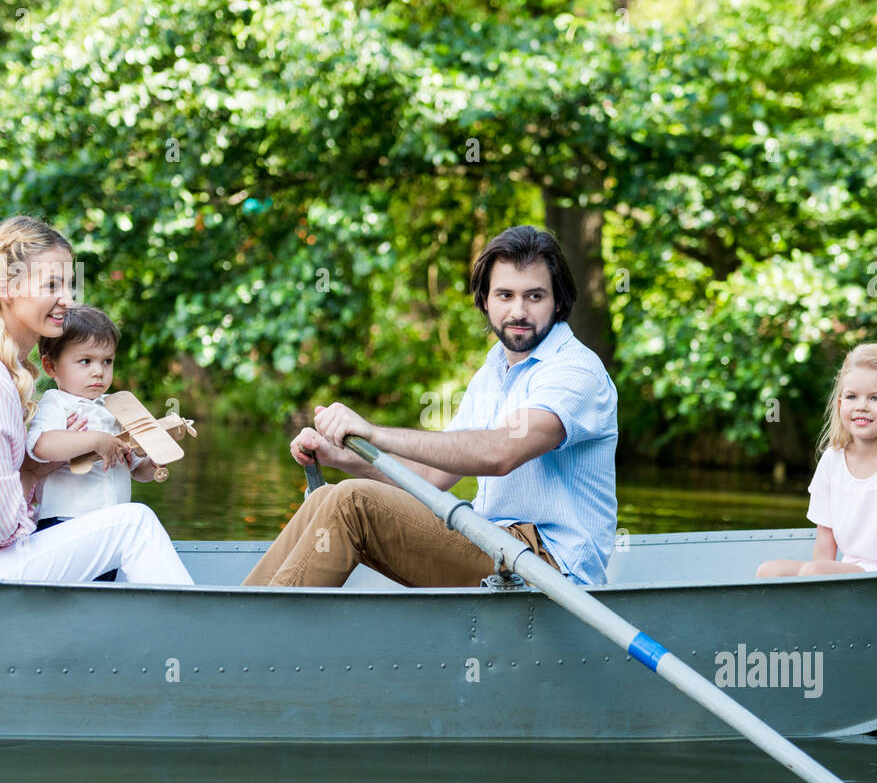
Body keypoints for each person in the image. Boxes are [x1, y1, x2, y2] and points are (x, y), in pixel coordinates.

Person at [243, 224, 618, 588]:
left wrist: (375, 433)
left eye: (534, 296)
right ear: (485, 301)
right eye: (505, 295)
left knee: (351, 502)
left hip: (549, 568)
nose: (518, 311)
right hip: (495, 542)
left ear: (558, 303)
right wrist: (342, 457)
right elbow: (428, 479)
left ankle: (257, 639)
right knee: (328, 495)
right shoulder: (493, 373)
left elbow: (502, 452)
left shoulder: (576, 370)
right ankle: (242, 620)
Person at [0, 215, 193, 585]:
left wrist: (42, 466)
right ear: (9, 288)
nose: (67, 298)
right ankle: (199, 634)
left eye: (68, 284)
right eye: (51, 284)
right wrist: (32, 472)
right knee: (134, 523)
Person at [755, 342, 877, 578]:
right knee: (769, 571)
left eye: (876, 399)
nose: (861, 406)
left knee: (813, 570)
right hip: (858, 567)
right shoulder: (832, 459)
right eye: (852, 397)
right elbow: (825, 538)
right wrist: (817, 584)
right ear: (841, 404)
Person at [27, 305, 162, 529]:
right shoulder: (56, 403)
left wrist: (155, 461)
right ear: (51, 366)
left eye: (107, 361)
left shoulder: (116, 407)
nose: (98, 371)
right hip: (64, 521)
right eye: (86, 361)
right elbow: (41, 445)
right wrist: (95, 441)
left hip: (112, 524)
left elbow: (139, 471)